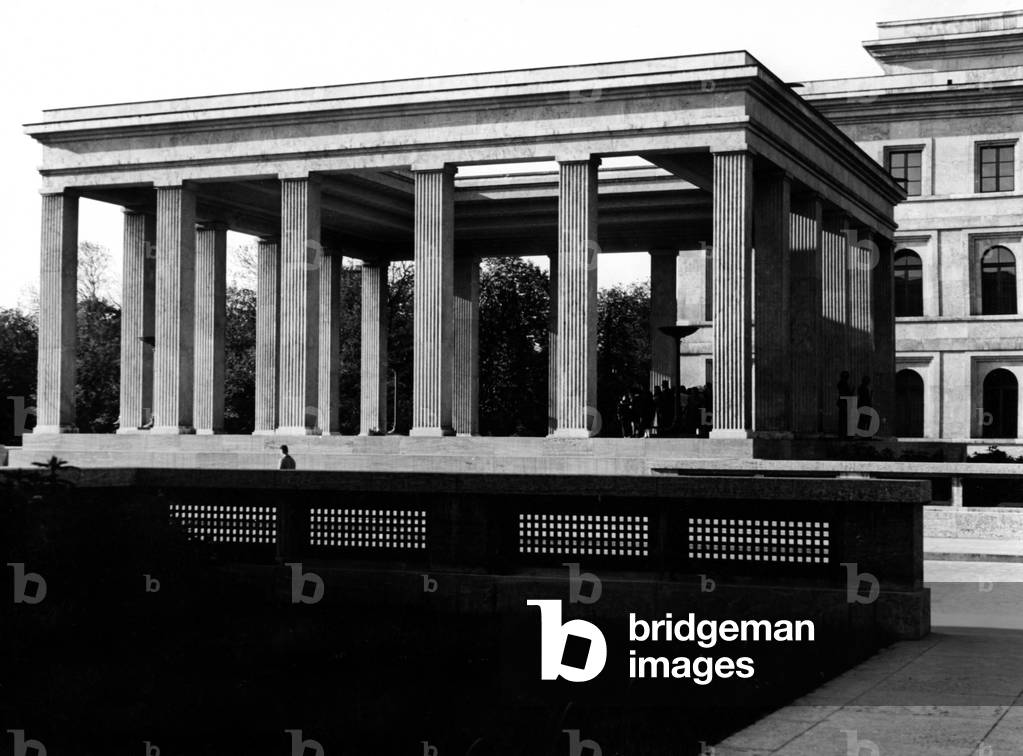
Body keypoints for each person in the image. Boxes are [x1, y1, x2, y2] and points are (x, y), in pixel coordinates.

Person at [837, 371, 854, 437]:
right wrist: (851, 391)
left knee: (843, 418)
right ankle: (843, 433)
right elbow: (847, 394)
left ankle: (842, 433)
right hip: (844, 402)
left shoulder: (841, 383)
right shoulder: (843, 384)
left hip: (843, 402)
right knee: (844, 418)